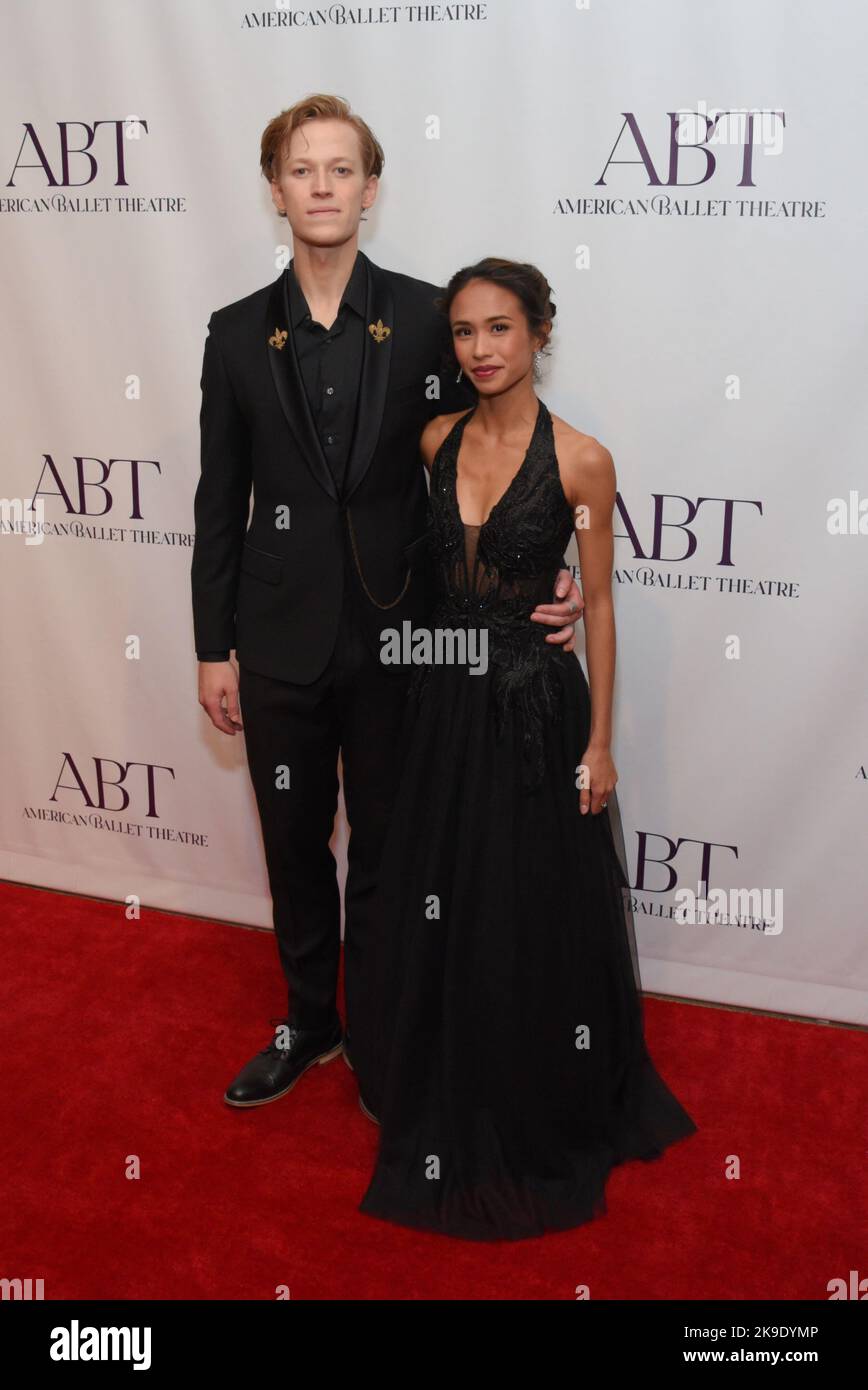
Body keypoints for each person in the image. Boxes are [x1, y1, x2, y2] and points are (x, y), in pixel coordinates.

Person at [190, 95, 584, 1110]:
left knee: (392, 847)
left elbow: (495, 441)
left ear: (371, 187)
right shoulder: (234, 335)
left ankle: (378, 1032)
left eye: (341, 169)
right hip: (273, 642)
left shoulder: (424, 315)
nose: (321, 187)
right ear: (274, 188)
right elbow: (217, 498)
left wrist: (549, 562)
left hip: (402, 637)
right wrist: (210, 646)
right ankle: (307, 1023)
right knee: (292, 846)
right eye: (302, 169)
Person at [358, 257, 698, 1241]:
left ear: (539, 332)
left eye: (500, 328)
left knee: (526, 904)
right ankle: (441, 1083)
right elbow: (422, 580)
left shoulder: (582, 459)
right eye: (464, 332)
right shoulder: (433, 439)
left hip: (533, 708)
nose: (480, 349)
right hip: (440, 701)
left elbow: (594, 605)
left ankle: (536, 1093)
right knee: (446, 896)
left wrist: (600, 744)